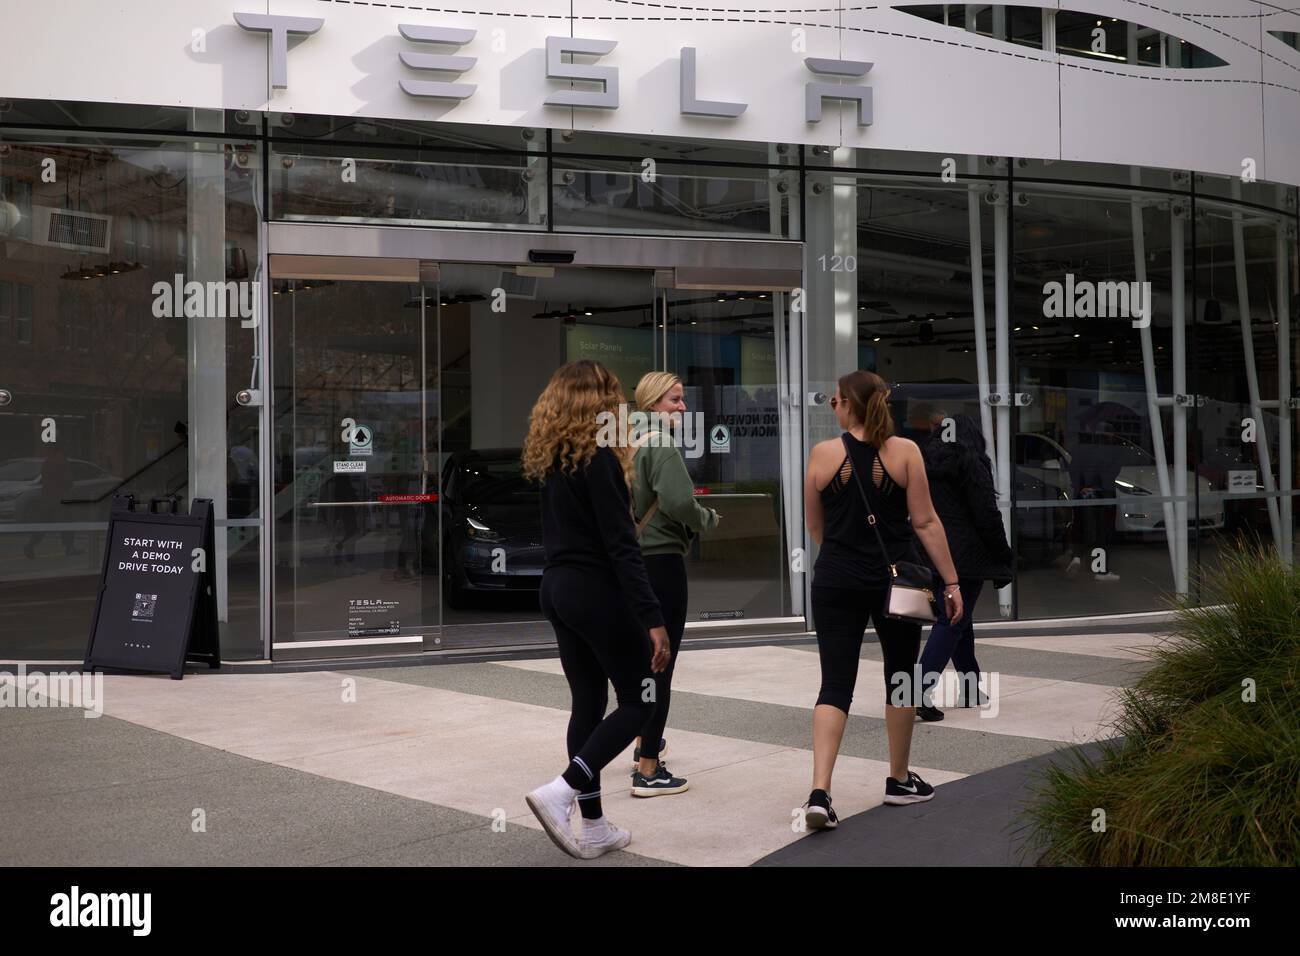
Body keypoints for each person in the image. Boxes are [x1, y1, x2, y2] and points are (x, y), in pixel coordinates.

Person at [522, 360, 671, 859]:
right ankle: (562, 790)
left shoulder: (553, 461)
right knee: (641, 701)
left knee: (587, 702)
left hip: (557, 588)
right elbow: (622, 547)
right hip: (594, 591)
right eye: (614, 397)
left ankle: (594, 827)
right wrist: (653, 618)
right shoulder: (602, 458)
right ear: (601, 403)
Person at [801, 370, 963, 830]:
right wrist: (951, 583)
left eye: (835, 401)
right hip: (896, 584)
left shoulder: (821, 455)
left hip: (834, 579)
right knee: (900, 676)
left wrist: (841, 558)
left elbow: (817, 528)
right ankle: (897, 779)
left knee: (834, 685)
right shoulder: (905, 452)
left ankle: (820, 793)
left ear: (848, 405)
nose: (832, 408)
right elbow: (926, 522)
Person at [626, 371, 721, 797]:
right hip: (661, 561)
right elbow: (681, 501)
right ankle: (649, 768)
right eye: (675, 400)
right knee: (662, 661)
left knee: (641, 658)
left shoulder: (623, 440)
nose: (682, 408)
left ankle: (641, 737)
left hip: (629, 562)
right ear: (653, 403)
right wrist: (707, 520)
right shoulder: (661, 444)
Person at [916, 414, 1012, 722]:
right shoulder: (972, 463)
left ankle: (970, 686)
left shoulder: (923, 464)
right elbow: (987, 514)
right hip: (965, 556)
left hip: (929, 551)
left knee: (959, 618)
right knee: (952, 619)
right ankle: (917, 691)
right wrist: (1003, 553)